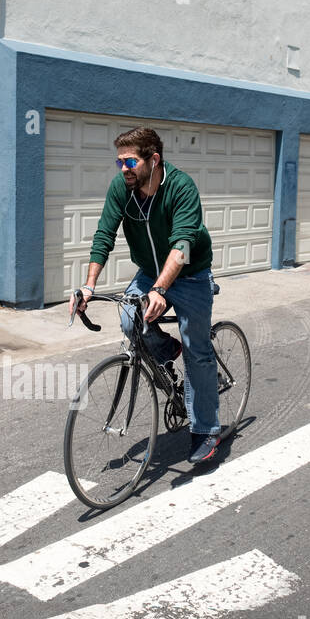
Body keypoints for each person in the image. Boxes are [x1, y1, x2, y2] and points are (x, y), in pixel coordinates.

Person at [72, 127, 222, 464]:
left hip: (191, 273)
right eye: (119, 161)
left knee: (197, 352)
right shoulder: (121, 189)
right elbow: (103, 235)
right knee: (128, 317)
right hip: (151, 272)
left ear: (153, 160)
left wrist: (161, 289)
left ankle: (207, 428)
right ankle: (166, 349)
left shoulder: (181, 187)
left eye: (130, 161)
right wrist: (88, 286)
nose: (123, 168)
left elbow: (182, 244)